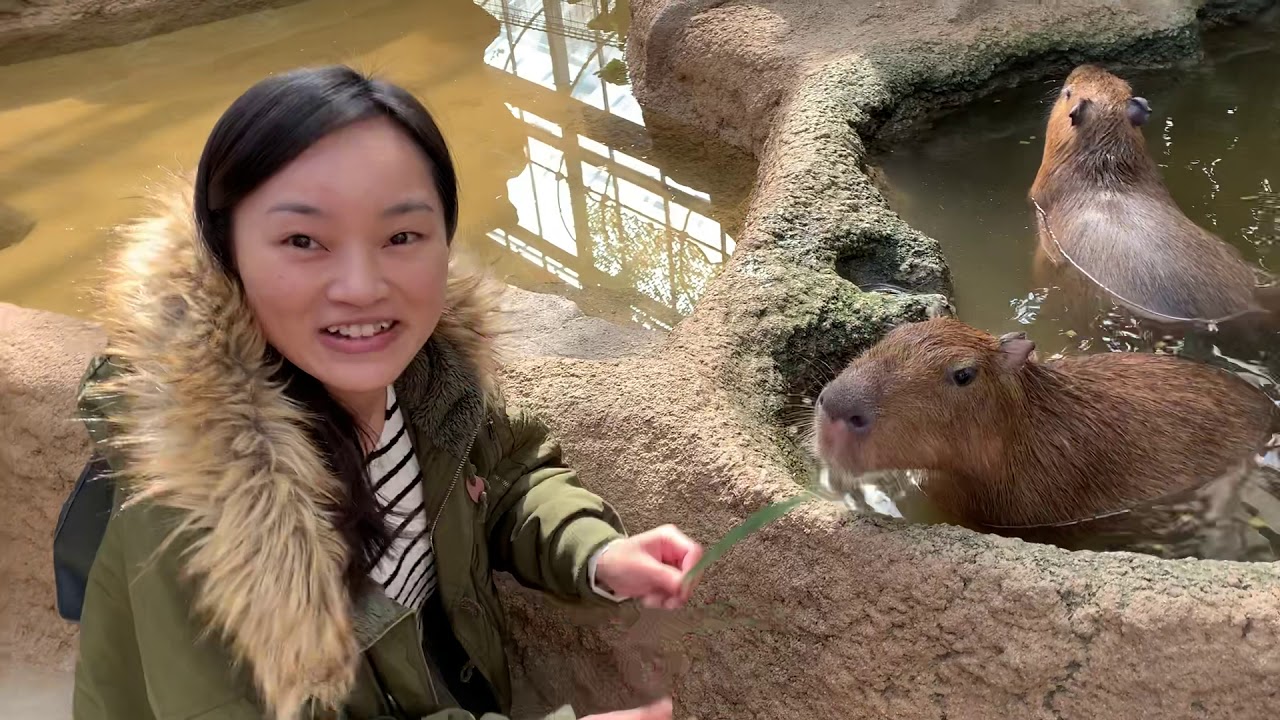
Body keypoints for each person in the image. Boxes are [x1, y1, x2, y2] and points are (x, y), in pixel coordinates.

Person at [71, 64, 703, 720]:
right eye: (303, 241)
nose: (361, 286)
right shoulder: (191, 504)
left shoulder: (431, 373)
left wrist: (596, 553)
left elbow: (506, 475)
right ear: (228, 253)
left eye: (401, 236)